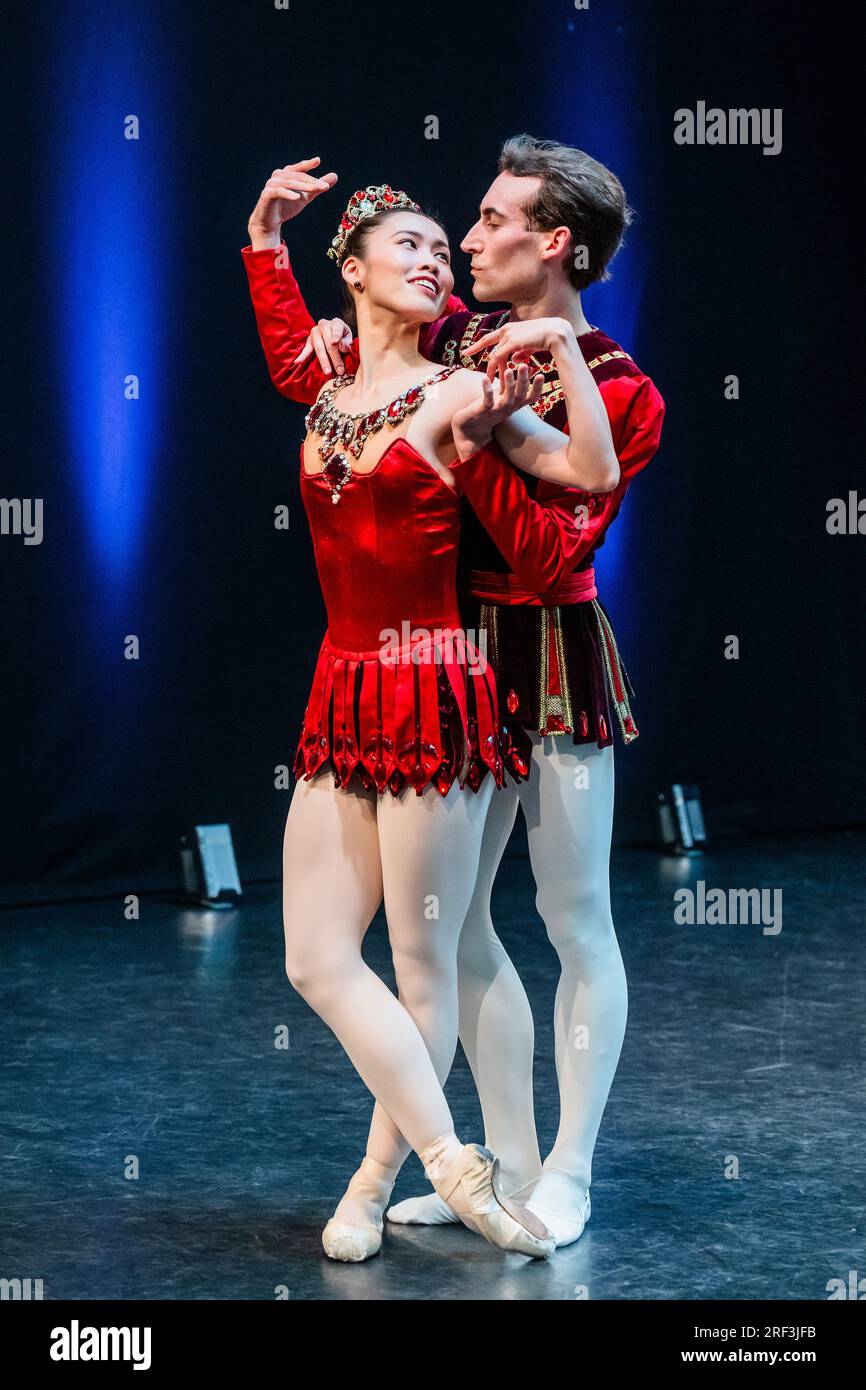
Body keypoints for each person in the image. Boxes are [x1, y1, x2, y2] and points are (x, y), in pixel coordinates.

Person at [243, 138, 665, 1249]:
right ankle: (500, 1161)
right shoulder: (454, 342)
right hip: (437, 652)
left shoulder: (617, 386)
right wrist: (272, 256)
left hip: (541, 655)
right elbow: (330, 375)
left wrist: (486, 424)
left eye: (485, 222)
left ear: (553, 242)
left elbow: (551, 548)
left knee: (571, 915)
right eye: (450, 229)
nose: (463, 242)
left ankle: (566, 1167)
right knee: (455, 929)